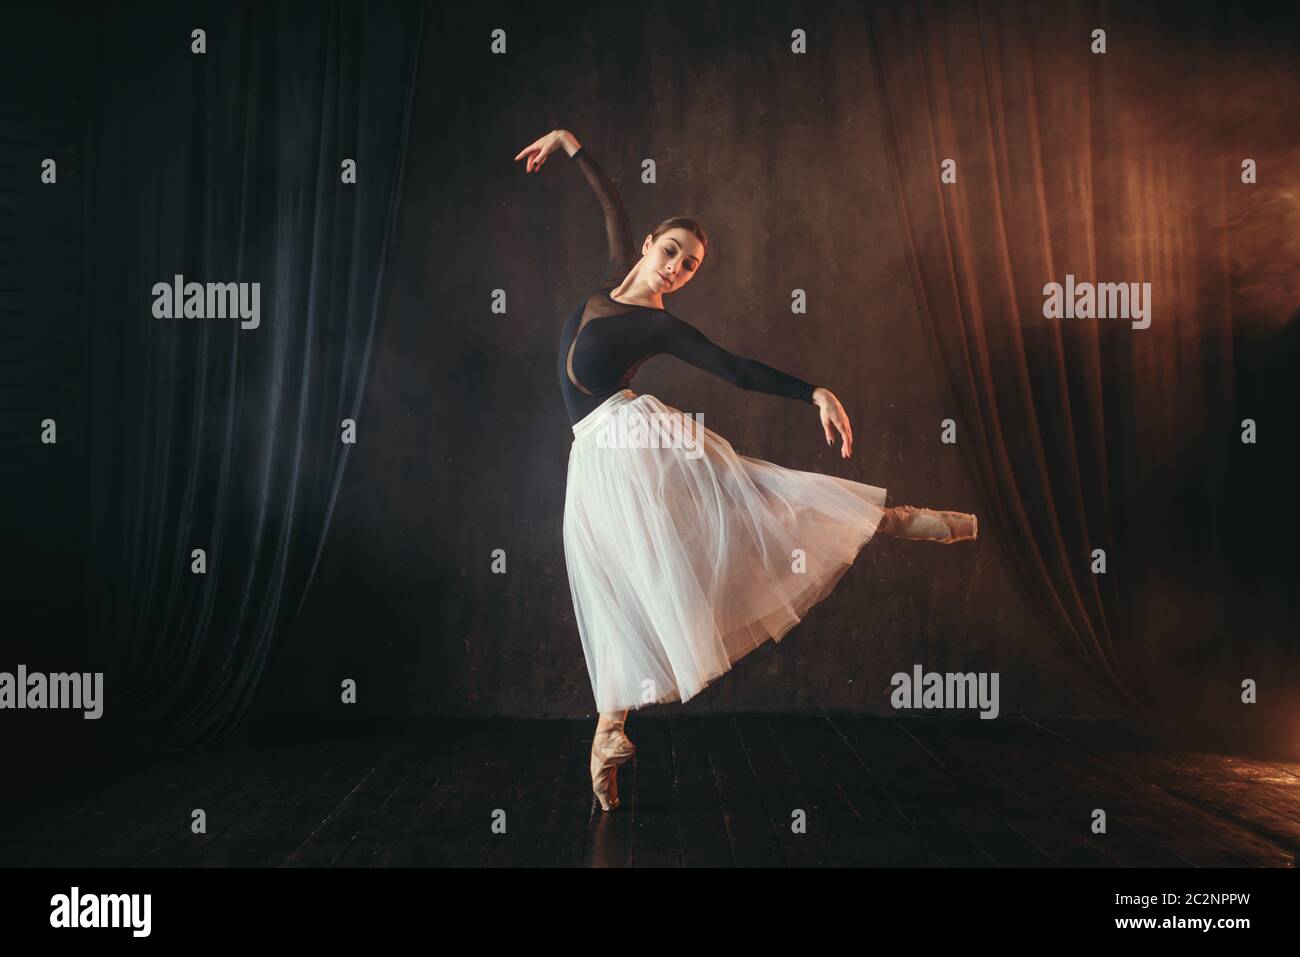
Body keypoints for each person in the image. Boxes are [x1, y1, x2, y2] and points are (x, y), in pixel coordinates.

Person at [514, 129, 978, 811]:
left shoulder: (660, 325)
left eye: (691, 266)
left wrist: (812, 390)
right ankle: (609, 730)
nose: (676, 268)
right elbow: (611, 202)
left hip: (628, 437)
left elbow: (733, 367)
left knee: (745, 503)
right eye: (672, 252)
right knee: (614, 579)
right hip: (591, 457)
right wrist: (568, 142)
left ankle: (889, 519)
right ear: (647, 246)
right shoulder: (607, 277)